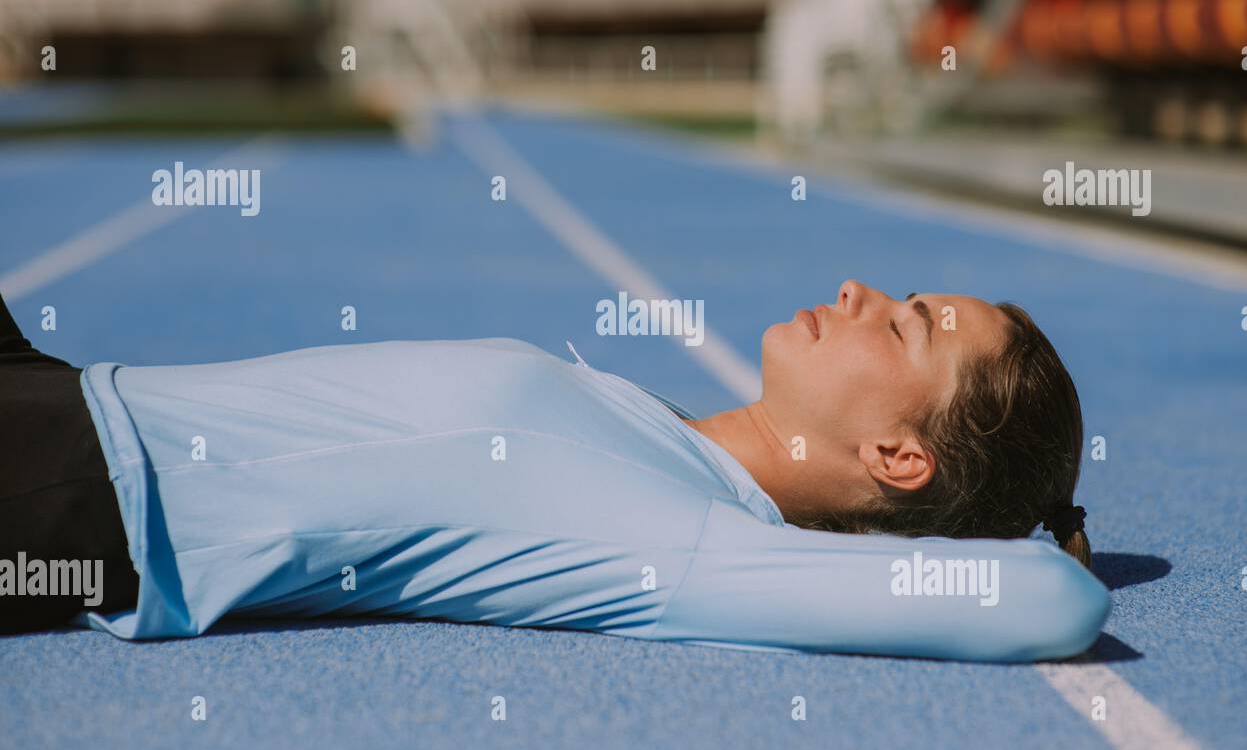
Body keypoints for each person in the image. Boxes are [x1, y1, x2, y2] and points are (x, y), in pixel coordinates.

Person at [0, 281, 1106, 660]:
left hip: (66, 485)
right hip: (55, 388)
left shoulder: (681, 541)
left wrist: (1034, 531)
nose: (863, 290)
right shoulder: (666, 435)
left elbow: (1048, 603)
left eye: (907, 325)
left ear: (898, 458)